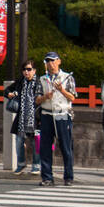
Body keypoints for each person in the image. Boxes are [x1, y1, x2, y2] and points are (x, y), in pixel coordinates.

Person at [35, 51, 76, 186]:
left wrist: (62, 90)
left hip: (62, 114)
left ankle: (68, 177)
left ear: (59, 61)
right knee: (45, 147)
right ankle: (47, 177)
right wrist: (46, 97)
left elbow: (73, 97)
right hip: (47, 114)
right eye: (48, 61)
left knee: (66, 146)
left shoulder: (67, 77)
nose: (50, 64)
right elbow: (37, 100)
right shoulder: (42, 79)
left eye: (53, 61)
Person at [5, 59, 42, 175]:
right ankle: (21, 164)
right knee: (19, 142)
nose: (26, 72)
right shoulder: (21, 81)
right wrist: (9, 94)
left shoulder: (40, 83)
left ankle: (36, 165)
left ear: (34, 71)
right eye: (24, 69)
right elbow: (7, 90)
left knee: (36, 143)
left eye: (29, 69)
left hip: (36, 118)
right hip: (21, 118)